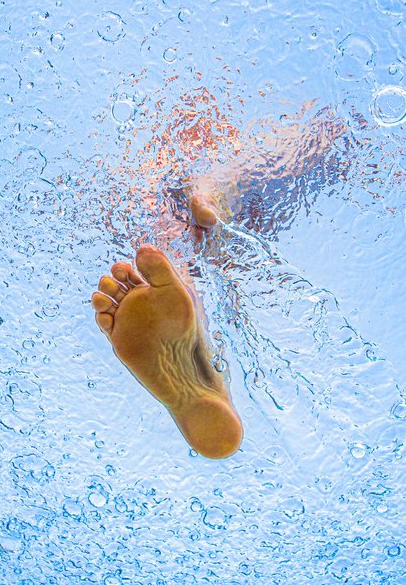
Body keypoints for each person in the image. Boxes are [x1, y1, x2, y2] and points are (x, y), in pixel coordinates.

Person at [90, 103, 366, 459]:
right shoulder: (230, 128)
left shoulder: (169, 142)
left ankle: (203, 353)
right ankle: (212, 196)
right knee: (299, 148)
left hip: (166, 211)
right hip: (239, 217)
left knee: (163, 237)